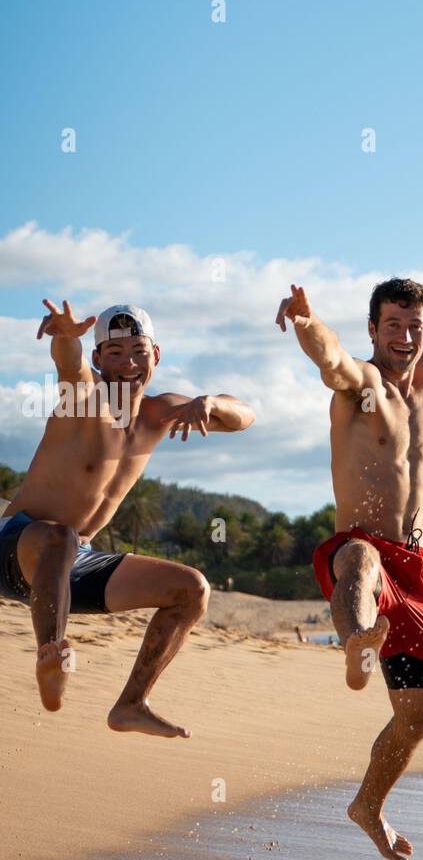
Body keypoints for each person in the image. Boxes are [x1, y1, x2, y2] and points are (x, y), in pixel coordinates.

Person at [276, 231, 423, 860]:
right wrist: (310, 322)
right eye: (393, 323)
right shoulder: (361, 383)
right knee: (361, 565)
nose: (406, 334)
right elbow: (332, 359)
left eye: (415, 325)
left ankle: (368, 805)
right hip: (361, 544)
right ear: (374, 327)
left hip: (417, 568)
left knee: (417, 720)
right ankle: (355, 645)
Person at [0, 300, 255, 735]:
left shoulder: (159, 413)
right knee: (60, 537)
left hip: (73, 562)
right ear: (99, 359)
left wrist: (209, 403)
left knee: (192, 589)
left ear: (156, 355)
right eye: (114, 354)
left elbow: (244, 417)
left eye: (138, 351)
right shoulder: (84, 400)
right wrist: (66, 337)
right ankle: (52, 657)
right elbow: (69, 367)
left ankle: (132, 704)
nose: (129, 364)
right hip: (18, 547)